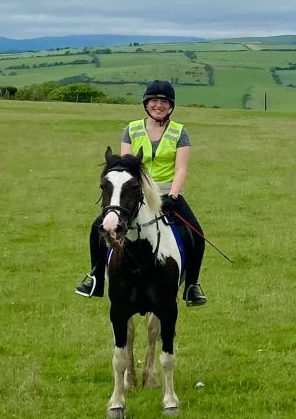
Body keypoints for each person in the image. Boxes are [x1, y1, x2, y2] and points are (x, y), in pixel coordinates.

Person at [75, 80, 208, 306]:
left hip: (168, 194)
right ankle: (95, 277)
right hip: (135, 195)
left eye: (164, 102)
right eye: (154, 101)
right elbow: (125, 166)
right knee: (97, 228)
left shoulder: (179, 132)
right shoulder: (131, 129)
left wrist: (174, 198)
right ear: (146, 104)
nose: (159, 105)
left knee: (197, 235)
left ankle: (192, 287)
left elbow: (181, 168)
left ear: (171, 105)